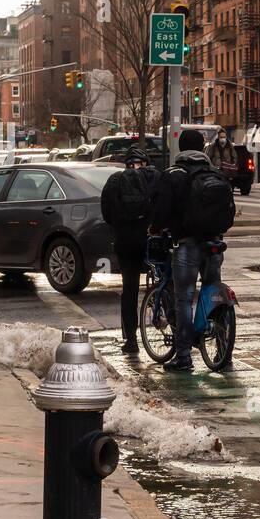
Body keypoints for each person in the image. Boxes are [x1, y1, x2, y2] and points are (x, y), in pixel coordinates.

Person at [149, 130, 234, 371]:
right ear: (202, 147)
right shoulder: (215, 174)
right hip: (214, 244)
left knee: (184, 298)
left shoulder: (173, 174)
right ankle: (222, 348)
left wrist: (154, 228)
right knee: (214, 292)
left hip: (186, 244)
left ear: (180, 147)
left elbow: (161, 210)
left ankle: (184, 357)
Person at [100, 148, 158, 354]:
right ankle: (168, 318)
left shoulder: (115, 181)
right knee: (165, 283)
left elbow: (106, 213)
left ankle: (131, 339)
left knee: (130, 289)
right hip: (151, 239)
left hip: (125, 241)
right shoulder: (154, 178)